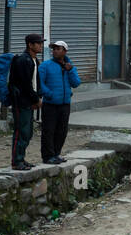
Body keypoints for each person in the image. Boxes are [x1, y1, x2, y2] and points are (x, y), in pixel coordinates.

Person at [37, 40, 81, 165]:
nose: (55, 51)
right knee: (48, 131)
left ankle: (56, 154)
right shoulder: (46, 66)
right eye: (54, 49)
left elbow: (76, 83)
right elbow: (40, 83)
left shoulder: (70, 66)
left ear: (65, 51)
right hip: (50, 104)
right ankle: (47, 156)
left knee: (62, 131)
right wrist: (49, 94)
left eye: (58, 48)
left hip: (65, 104)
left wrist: (70, 70)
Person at [10, 33, 44, 171]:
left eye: (41, 43)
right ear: (30, 45)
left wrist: (38, 97)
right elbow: (25, 84)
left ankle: (21, 159)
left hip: (29, 100)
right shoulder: (23, 60)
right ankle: (16, 161)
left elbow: (36, 82)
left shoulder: (35, 60)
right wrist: (35, 99)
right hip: (21, 101)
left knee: (28, 132)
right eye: (38, 43)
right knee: (21, 131)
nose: (41, 45)